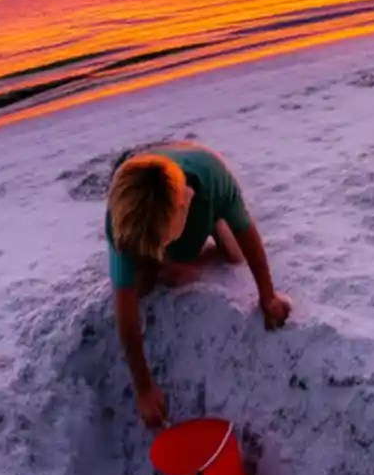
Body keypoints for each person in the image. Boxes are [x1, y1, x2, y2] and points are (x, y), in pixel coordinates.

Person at [106, 141, 292, 427]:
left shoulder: (213, 178)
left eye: (160, 244)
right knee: (143, 283)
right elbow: (125, 305)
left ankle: (215, 225)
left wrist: (268, 296)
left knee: (230, 256)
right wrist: (144, 388)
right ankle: (162, 256)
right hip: (148, 193)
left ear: (185, 203)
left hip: (199, 201)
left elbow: (250, 236)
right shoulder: (121, 218)